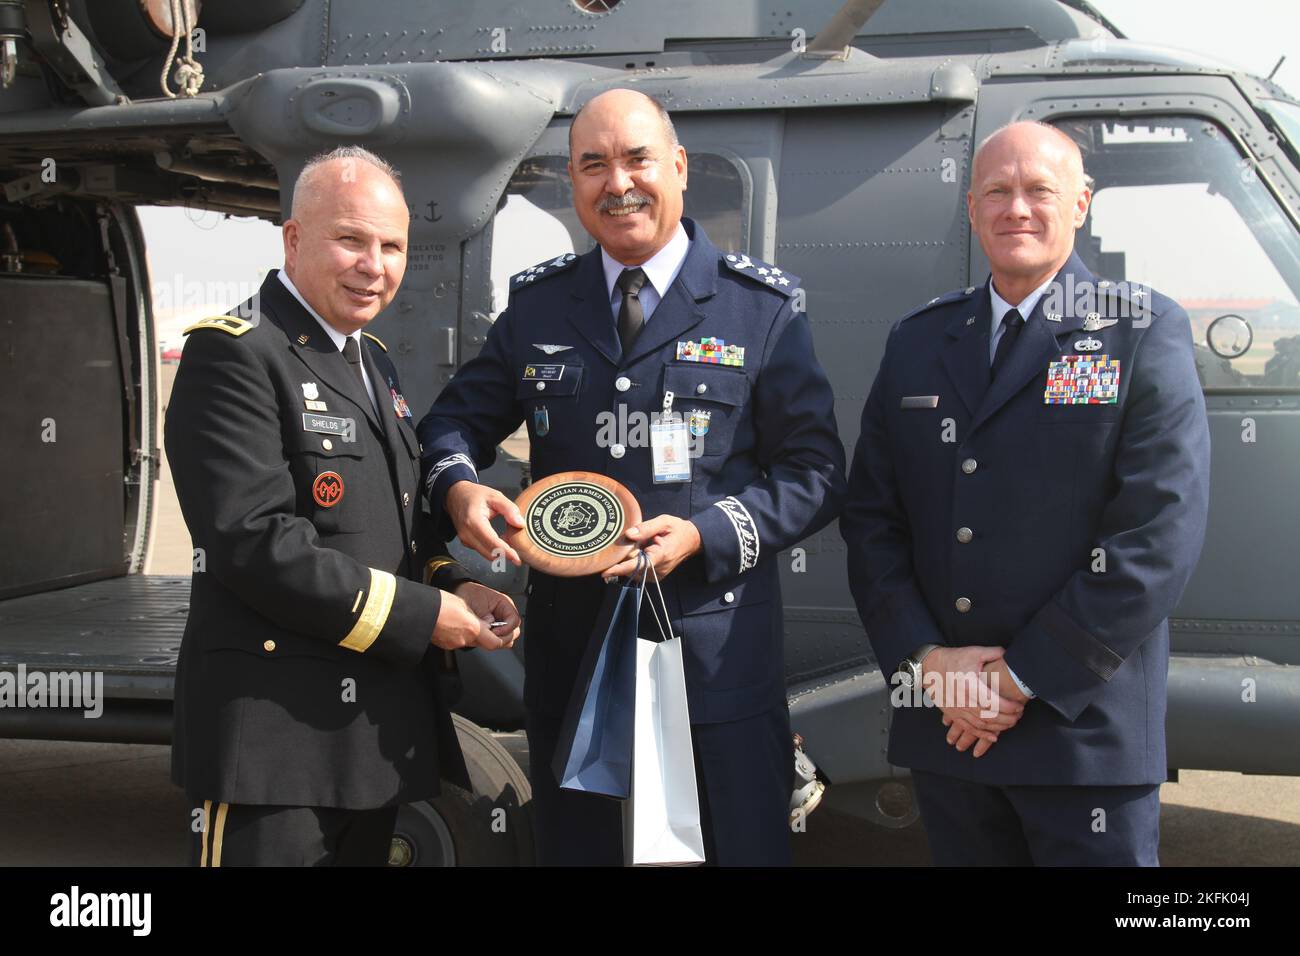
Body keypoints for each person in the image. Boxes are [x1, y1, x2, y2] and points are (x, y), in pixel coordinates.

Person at [417, 89, 845, 865]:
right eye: (593, 165)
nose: (618, 183)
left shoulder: (761, 309)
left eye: (638, 158)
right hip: (572, 656)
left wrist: (704, 533)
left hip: (713, 657)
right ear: (572, 184)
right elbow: (449, 426)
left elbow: (815, 472)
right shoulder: (539, 307)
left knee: (734, 847)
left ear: (677, 167)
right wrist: (459, 487)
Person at [840, 121, 1210, 865]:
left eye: (1040, 190)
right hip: (949, 728)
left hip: (1081, 732)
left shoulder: (1141, 330)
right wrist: (929, 664)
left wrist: (1016, 677)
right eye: (999, 192)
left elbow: (1157, 532)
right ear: (972, 208)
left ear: (1081, 203)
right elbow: (873, 520)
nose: (1018, 209)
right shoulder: (920, 340)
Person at [165, 146, 520, 866]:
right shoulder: (235, 354)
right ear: (294, 239)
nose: (374, 264)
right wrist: (428, 618)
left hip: (372, 736)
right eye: (351, 239)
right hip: (276, 741)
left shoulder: (371, 360)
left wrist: (456, 584)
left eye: (392, 246)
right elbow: (255, 545)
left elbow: (392, 522)